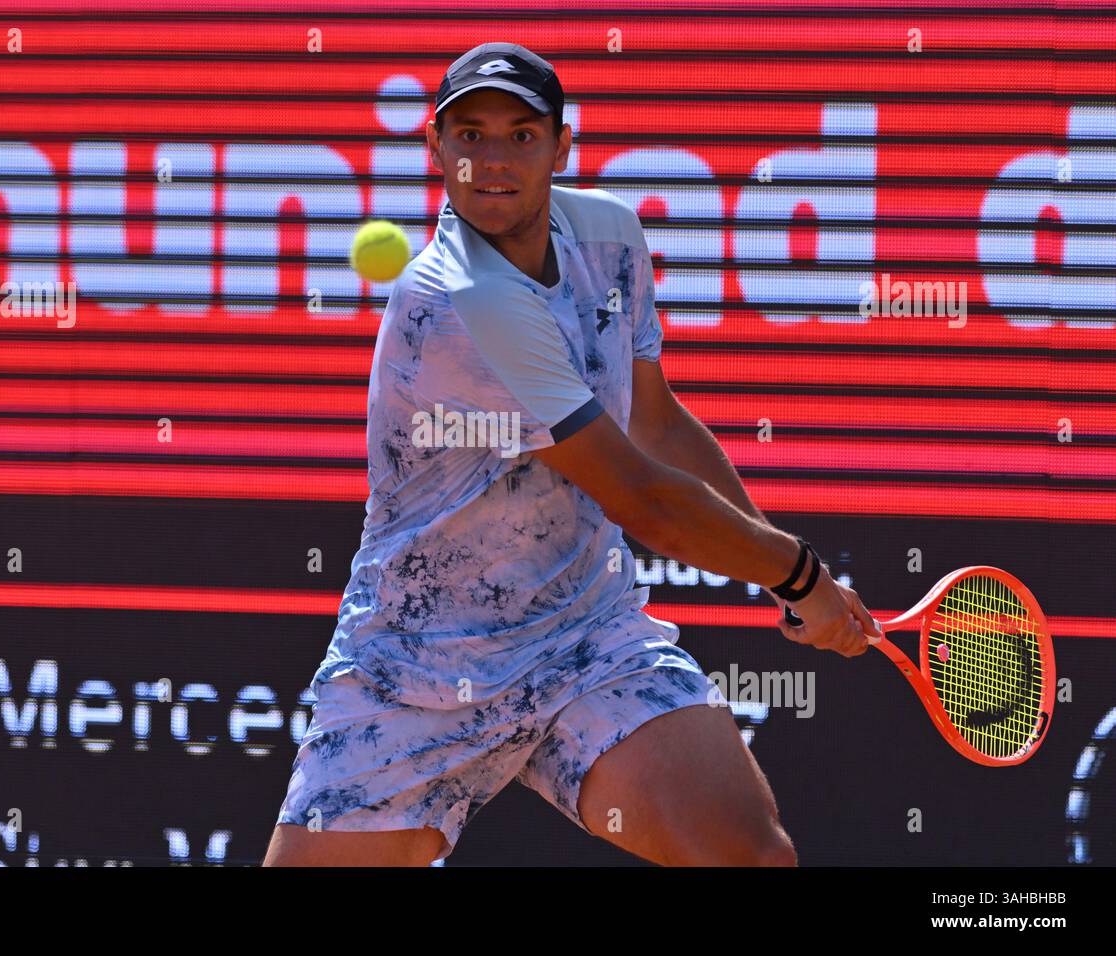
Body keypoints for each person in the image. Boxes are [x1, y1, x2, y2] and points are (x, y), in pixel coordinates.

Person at [264, 42, 881, 867]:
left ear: (562, 147)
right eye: (470, 135)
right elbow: (644, 500)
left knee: (750, 858)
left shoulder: (611, 240)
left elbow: (655, 425)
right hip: (417, 671)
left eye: (521, 135)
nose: (491, 160)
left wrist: (795, 580)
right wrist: (799, 575)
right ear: (436, 148)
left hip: (586, 640)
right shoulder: (456, 301)